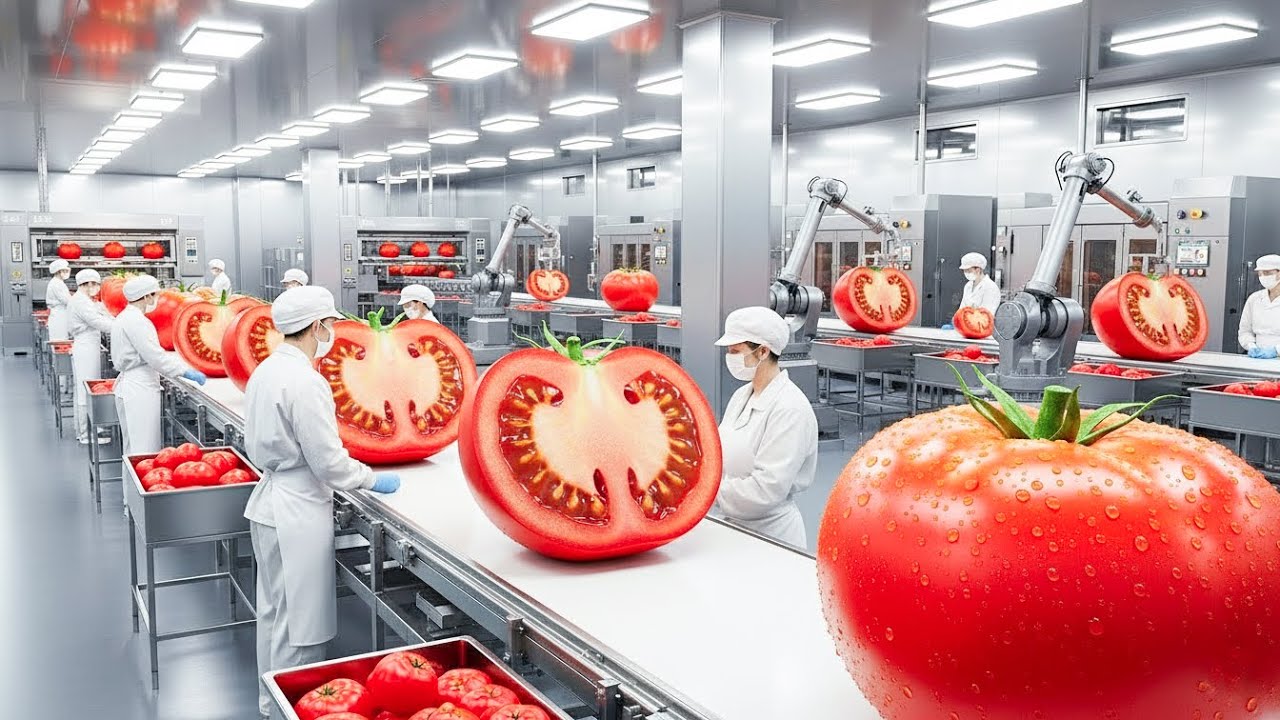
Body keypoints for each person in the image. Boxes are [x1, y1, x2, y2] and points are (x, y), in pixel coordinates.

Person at [242, 286, 400, 719]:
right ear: (316, 326)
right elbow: (329, 464)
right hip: (298, 509)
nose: (331, 331)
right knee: (303, 625)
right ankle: (295, 708)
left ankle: (271, 704)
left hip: (271, 501)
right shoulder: (305, 381)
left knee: (275, 614)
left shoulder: (267, 370)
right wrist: (371, 479)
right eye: (329, 324)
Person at [712, 307, 819, 548]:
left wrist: (709, 490)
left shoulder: (790, 408)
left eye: (735, 351)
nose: (730, 357)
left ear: (762, 351)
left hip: (772, 535)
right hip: (733, 526)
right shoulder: (742, 395)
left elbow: (767, 489)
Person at [111, 275, 206, 455]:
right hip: (139, 388)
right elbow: (156, 358)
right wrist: (185, 371)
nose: (156, 299)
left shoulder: (125, 317)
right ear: (146, 296)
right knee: (144, 450)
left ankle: (130, 484)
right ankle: (136, 484)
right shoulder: (137, 321)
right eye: (155, 295)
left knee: (133, 448)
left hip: (132, 384)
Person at [67, 270, 114, 444]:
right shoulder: (80, 302)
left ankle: (91, 426)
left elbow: (99, 313)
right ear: (88, 284)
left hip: (88, 347)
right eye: (95, 284)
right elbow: (97, 322)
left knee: (86, 386)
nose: (96, 288)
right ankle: (86, 434)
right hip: (85, 348)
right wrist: (121, 326)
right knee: (85, 390)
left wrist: (111, 316)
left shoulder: (83, 300)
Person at [1241, 254, 1280, 358]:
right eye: (1260, 274)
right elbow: (1245, 331)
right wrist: (1251, 346)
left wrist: (1276, 350)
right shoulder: (1254, 299)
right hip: (1258, 359)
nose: (1263, 277)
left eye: (1267, 273)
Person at [45, 259, 73, 340]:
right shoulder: (56, 284)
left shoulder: (58, 282)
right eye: (64, 271)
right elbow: (67, 301)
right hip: (59, 315)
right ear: (58, 272)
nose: (66, 273)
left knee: (61, 338)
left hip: (60, 314)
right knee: (60, 340)